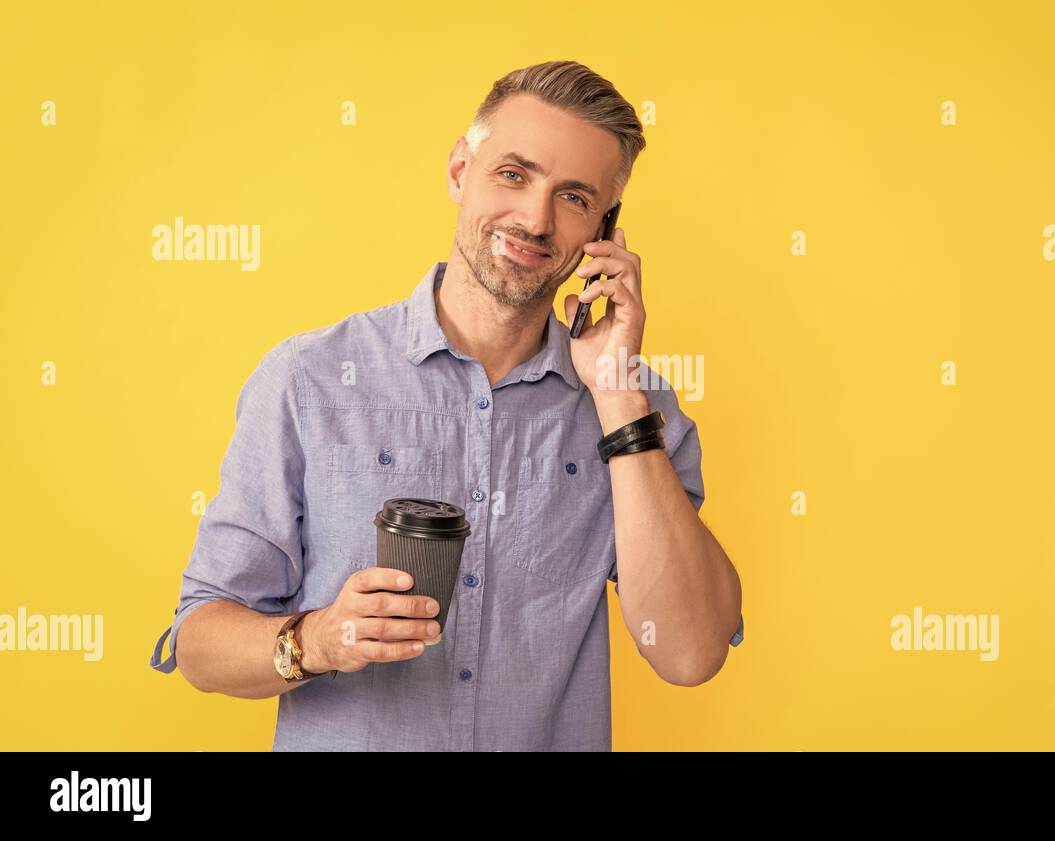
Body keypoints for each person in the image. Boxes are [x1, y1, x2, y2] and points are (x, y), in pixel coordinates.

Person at [148, 60, 744, 751]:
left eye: (575, 198)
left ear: (603, 233)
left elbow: (690, 652)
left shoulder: (635, 405)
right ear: (461, 171)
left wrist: (616, 397)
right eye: (513, 174)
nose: (535, 219)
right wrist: (318, 639)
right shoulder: (309, 380)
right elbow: (199, 641)